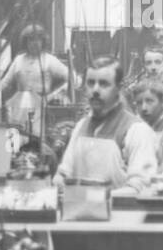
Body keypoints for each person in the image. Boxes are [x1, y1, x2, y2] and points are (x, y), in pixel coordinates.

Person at [54, 56, 157, 194]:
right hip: (78, 212)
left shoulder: (137, 130)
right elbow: (64, 173)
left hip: (120, 213)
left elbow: (139, 188)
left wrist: (95, 200)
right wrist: (58, 182)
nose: (95, 90)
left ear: (118, 89)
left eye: (103, 84)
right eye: (91, 83)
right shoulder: (81, 126)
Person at [0, 23, 69, 136]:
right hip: (17, 109)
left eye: (38, 39)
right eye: (30, 40)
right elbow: (5, 83)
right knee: (14, 144)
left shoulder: (49, 60)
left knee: (35, 141)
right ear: (25, 42)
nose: (34, 43)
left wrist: (55, 94)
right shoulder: (18, 60)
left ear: (43, 41)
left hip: (40, 109)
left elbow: (74, 79)